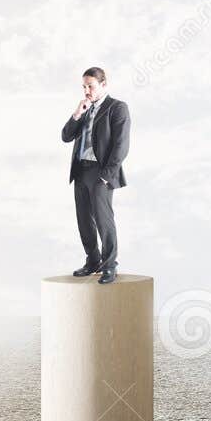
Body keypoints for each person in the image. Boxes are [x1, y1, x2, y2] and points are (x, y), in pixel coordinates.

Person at [61, 66, 131, 284]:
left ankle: (109, 265)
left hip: (101, 173)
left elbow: (121, 146)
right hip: (81, 171)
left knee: (103, 220)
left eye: (90, 86)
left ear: (103, 84)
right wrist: (77, 114)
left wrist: (106, 176)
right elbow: (66, 136)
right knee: (84, 220)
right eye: (83, 86)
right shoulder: (85, 109)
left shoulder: (117, 108)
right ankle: (92, 261)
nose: (86, 91)